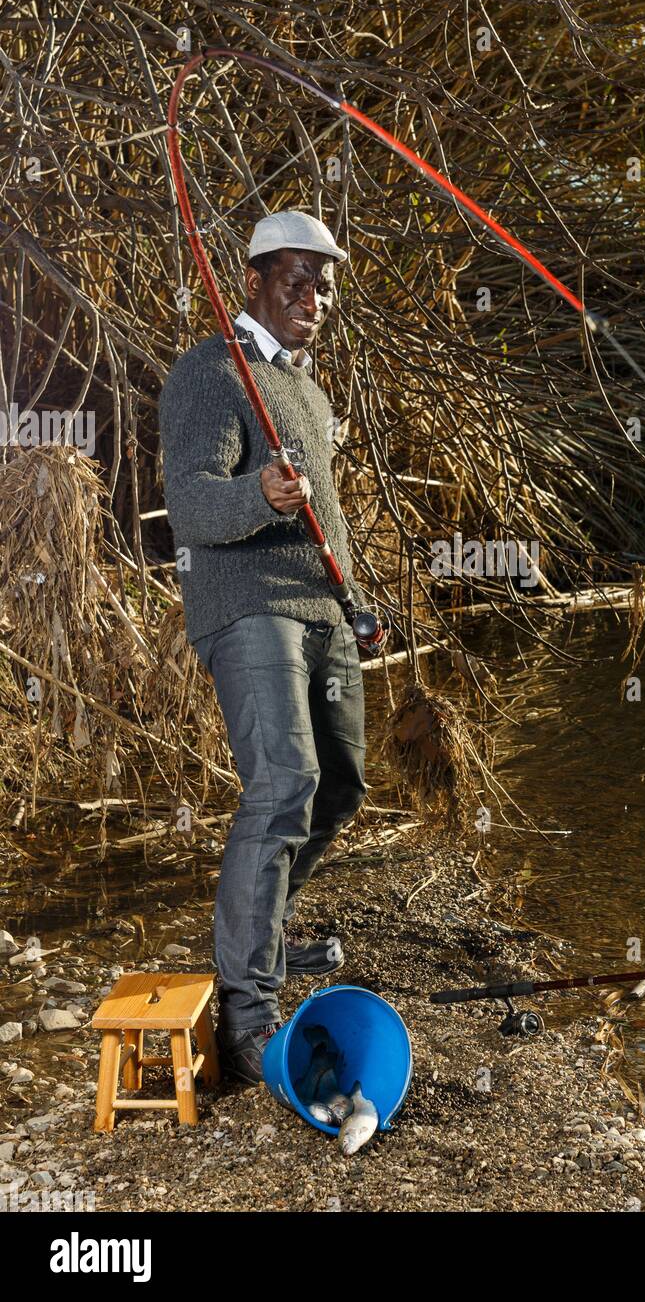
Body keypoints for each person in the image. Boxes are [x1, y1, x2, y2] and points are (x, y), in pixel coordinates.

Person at [159, 211, 367, 1084]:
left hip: (326, 613)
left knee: (340, 789)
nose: (311, 298)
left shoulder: (309, 393)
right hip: (247, 608)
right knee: (284, 782)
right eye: (295, 280)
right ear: (253, 280)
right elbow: (194, 505)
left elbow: (327, 517)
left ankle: (267, 933)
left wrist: (358, 601)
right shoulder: (212, 370)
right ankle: (248, 1021)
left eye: (322, 285)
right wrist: (262, 491)